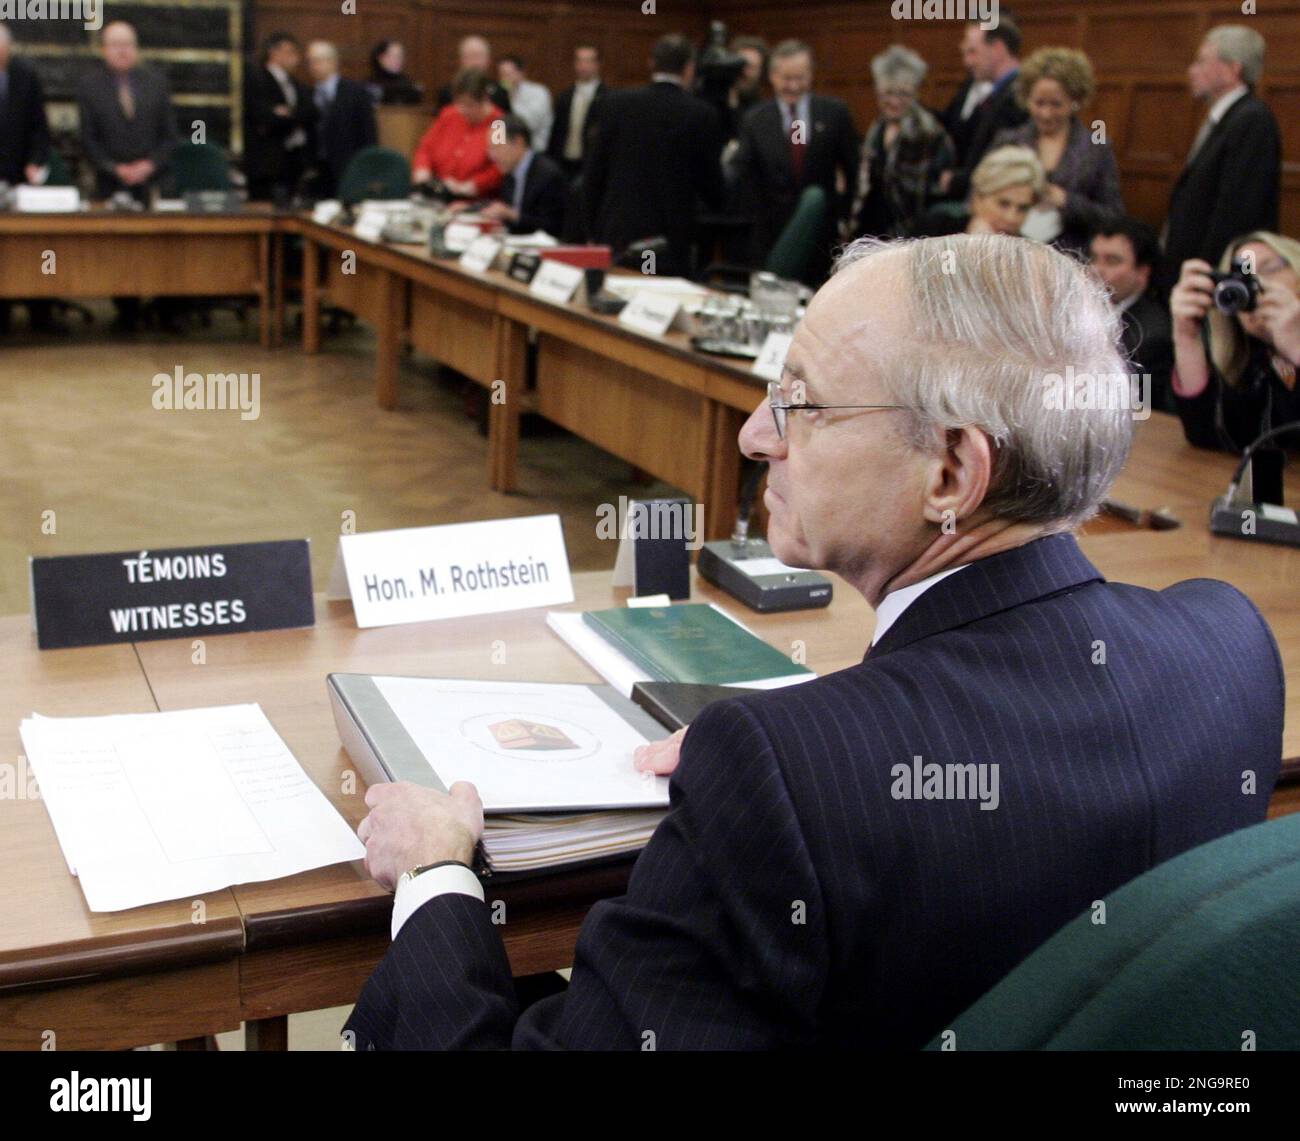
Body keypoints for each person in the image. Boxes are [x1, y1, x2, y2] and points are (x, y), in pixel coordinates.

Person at [344, 233, 1283, 1050]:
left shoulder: (777, 778)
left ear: (952, 469)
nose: (756, 435)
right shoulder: (1231, 647)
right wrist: (836, 729)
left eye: (803, 402)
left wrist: (435, 875)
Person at [581, 34, 724, 276]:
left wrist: (591, 231)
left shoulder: (613, 104)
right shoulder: (702, 115)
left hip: (617, 231)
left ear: (652, 64)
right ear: (689, 68)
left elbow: (593, 174)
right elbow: (711, 188)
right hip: (669, 240)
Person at [1161, 25, 1281, 297]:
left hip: (1211, 285)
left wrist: (1209, 280)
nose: (1192, 70)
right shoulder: (1230, 118)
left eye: (1202, 61)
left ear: (1232, 69)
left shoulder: (1252, 120)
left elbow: (1237, 213)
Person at [732, 39, 860, 278]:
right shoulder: (755, 119)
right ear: (772, 76)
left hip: (821, 237)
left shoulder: (834, 113)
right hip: (771, 237)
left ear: (810, 76)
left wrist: (843, 219)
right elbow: (745, 179)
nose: (792, 86)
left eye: (799, 78)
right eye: (786, 78)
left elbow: (853, 171)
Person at [1169, 232, 1300, 453]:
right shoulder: (1256, 359)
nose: (1257, 285)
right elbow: (1211, 436)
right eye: (1243, 279)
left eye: (1269, 269)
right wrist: (1186, 338)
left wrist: (1296, 347)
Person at [991, 47, 1122, 257]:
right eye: (1039, 103)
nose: (1046, 113)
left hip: (1071, 259)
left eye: (1056, 104)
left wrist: (1066, 201)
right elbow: (977, 197)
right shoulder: (1009, 141)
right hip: (1011, 254)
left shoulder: (1097, 149)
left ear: (1075, 101)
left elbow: (1114, 217)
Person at [845, 45, 954, 240]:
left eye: (903, 94)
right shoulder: (877, 128)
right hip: (874, 230)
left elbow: (932, 193)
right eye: (888, 93)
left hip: (913, 234)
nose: (894, 101)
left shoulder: (928, 132)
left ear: (915, 94)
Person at [77, 20, 178, 201]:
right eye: (115, 45)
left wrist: (148, 165)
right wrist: (116, 169)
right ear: (103, 49)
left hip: (154, 183)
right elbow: (88, 139)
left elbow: (170, 136)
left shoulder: (157, 83)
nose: (122, 51)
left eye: (127, 44)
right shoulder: (89, 86)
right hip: (108, 184)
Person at [0, 22, 56, 333]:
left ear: (8, 50)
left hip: (21, 175)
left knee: (33, 244)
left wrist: (36, 162)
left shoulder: (26, 76)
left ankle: (41, 311)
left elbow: (40, 129)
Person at [938, 14, 1028, 201]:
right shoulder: (1001, 94)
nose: (967, 62)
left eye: (973, 52)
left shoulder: (1016, 99)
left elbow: (1001, 167)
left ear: (998, 49)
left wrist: (958, 181)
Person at [1090, 218, 1174, 414]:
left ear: (1143, 272)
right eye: (1093, 258)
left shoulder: (1151, 335)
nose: (1096, 269)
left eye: (1112, 261)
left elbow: (1132, 406)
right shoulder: (1084, 312)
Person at [453, 114, 566, 237]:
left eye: (497, 147)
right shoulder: (509, 172)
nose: (492, 156)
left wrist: (512, 215)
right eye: (490, 149)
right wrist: (470, 208)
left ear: (518, 142)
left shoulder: (548, 175)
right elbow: (500, 208)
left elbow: (553, 226)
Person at [243, 31, 315, 204]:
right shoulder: (257, 78)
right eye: (290, 52)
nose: (295, 58)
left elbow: (311, 112)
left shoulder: (296, 84)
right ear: (273, 52)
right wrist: (286, 116)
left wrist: (288, 114)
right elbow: (264, 117)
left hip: (293, 161)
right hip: (266, 162)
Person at [916, 145, 1044, 238]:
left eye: (1022, 209)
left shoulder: (1030, 256)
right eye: (1003, 204)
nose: (1011, 218)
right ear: (977, 199)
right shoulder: (936, 228)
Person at [411, 69, 503, 199]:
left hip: (475, 200)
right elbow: (425, 149)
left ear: (485, 100)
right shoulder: (449, 114)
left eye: (470, 105)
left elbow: (501, 167)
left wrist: (471, 185)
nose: (463, 110)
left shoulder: (498, 124)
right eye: (460, 103)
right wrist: (422, 170)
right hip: (438, 195)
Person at [306, 40, 377, 199]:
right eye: (310, 62)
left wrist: (366, 167)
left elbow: (368, 133)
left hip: (348, 166)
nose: (313, 66)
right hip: (318, 169)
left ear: (332, 62)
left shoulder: (355, 92)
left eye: (317, 61)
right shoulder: (307, 94)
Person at [547, 43, 605, 180]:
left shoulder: (607, 97)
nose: (583, 66)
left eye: (588, 61)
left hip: (591, 163)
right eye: (579, 60)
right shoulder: (565, 96)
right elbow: (556, 132)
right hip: (564, 161)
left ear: (597, 64)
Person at [940, 24, 993, 171]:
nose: (967, 61)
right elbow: (949, 120)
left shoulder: (1007, 92)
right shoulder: (971, 81)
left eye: (973, 51)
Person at [435, 35, 510, 114]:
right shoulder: (447, 92)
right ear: (461, 60)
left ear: (488, 60)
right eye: (470, 56)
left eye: (479, 56)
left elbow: (505, 121)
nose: (475, 62)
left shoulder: (500, 92)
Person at [497, 56, 552, 152]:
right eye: (501, 75)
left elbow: (528, 125)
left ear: (521, 73)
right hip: (508, 151)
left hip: (535, 150)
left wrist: (510, 97)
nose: (504, 79)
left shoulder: (539, 93)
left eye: (508, 74)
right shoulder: (500, 95)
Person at [725, 34, 768, 141]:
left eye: (751, 67)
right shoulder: (714, 102)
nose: (744, 72)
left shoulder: (764, 112)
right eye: (741, 66)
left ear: (761, 71)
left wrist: (734, 108)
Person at [367, 40, 421, 106]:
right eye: (393, 56)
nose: (397, 60)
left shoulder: (410, 85)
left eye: (400, 56)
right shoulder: (369, 85)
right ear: (380, 58)